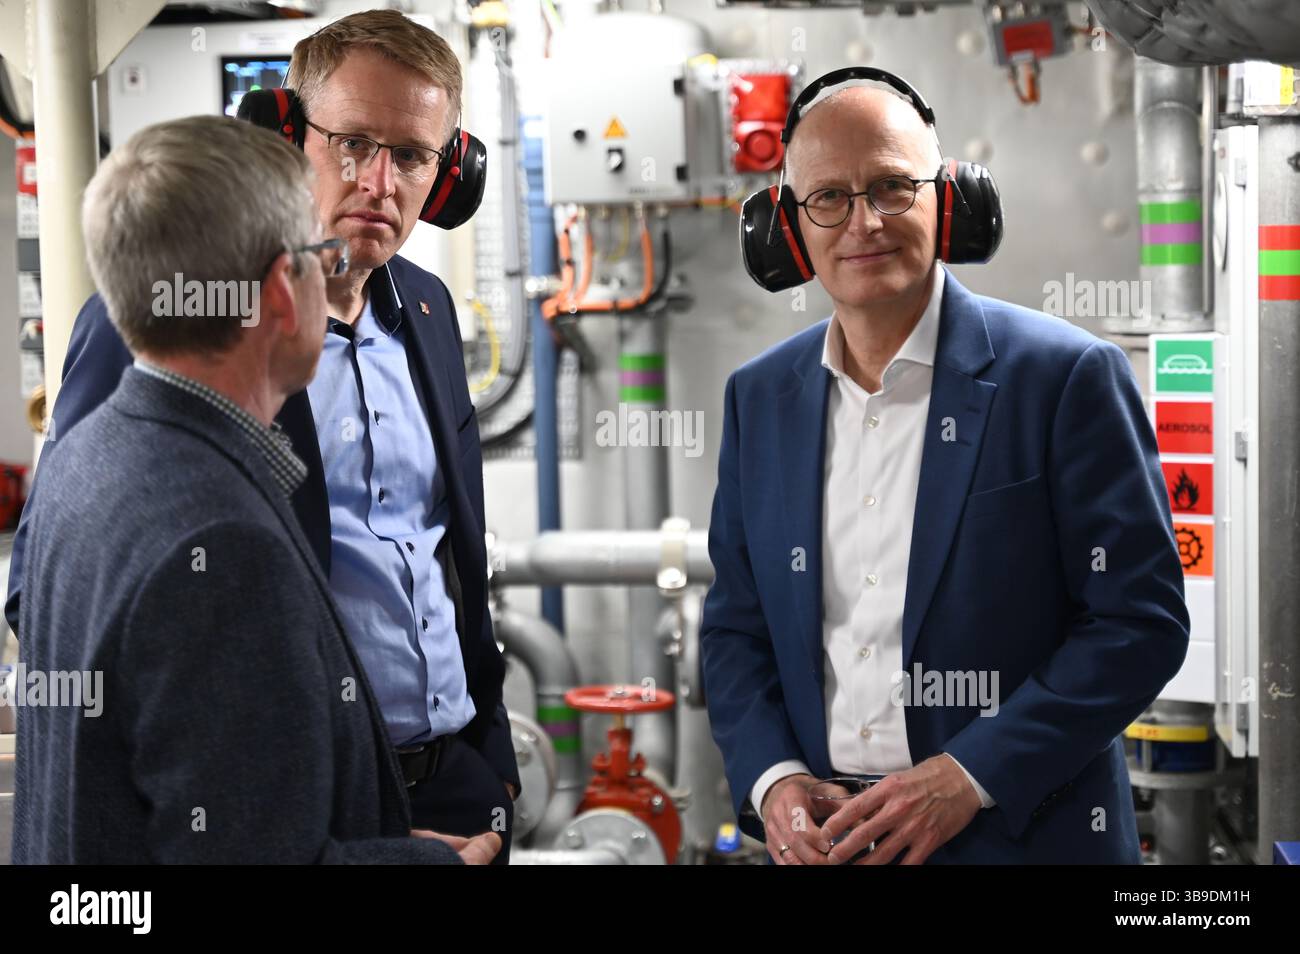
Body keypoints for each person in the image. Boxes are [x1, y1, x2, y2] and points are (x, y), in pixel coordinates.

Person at [5, 10, 519, 861]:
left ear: (450, 167)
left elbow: (453, 556)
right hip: (287, 803)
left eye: (413, 155)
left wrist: (489, 753)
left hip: (454, 777)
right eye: (352, 143)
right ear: (287, 135)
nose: (379, 183)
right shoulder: (166, 314)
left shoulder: (429, 313)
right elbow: (54, 574)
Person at [702, 73, 1190, 864]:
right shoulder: (758, 399)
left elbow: (1140, 623)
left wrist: (970, 775)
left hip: (1022, 837)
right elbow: (734, 627)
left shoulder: (1065, 378)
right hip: (831, 845)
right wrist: (776, 780)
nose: (863, 222)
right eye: (828, 197)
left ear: (951, 201)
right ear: (785, 230)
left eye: (893, 188)